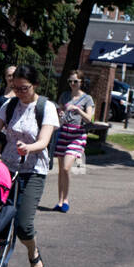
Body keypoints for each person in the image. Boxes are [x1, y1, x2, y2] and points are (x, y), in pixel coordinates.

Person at [0, 63, 58, 267]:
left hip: (33, 170)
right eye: (16, 87)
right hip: (7, 169)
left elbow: (44, 140)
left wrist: (30, 147)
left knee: (23, 225)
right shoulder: (9, 105)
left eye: (24, 88)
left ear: (35, 85)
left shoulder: (46, 107)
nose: (20, 92)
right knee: (0, 221)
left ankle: (33, 252)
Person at [52, 70, 94, 210]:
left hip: (77, 134)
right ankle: (59, 201)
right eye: (70, 81)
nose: (72, 84)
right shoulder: (65, 96)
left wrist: (77, 109)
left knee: (66, 167)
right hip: (64, 132)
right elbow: (58, 112)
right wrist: (60, 112)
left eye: (75, 81)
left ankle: (66, 199)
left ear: (81, 82)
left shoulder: (87, 99)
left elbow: (89, 118)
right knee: (61, 171)